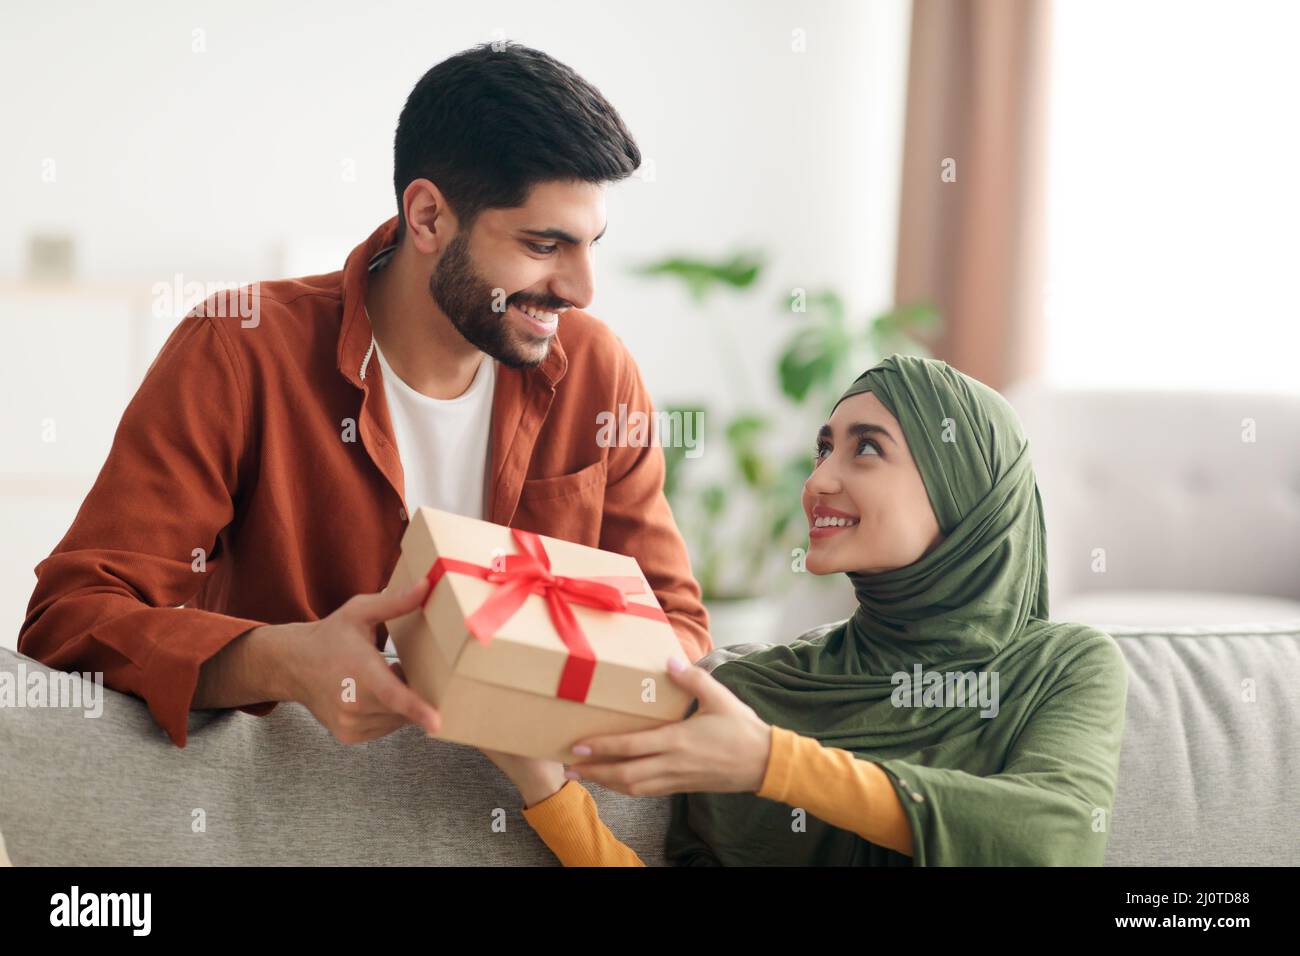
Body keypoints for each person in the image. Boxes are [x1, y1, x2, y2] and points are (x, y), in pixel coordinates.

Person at [17, 42, 710, 749]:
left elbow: (675, 630)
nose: (582, 289)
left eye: (592, 244)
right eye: (543, 246)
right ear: (429, 218)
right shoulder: (239, 349)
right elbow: (71, 618)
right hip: (292, 811)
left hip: (525, 816)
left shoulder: (597, 372)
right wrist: (283, 660)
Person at [482, 354, 1130, 865]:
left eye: (866, 448)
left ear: (963, 488)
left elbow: (1055, 841)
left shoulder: (1063, 666)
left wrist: (773, 764)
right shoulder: (748, 693)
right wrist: (548, 792)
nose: (818, 481)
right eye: (824, 449)